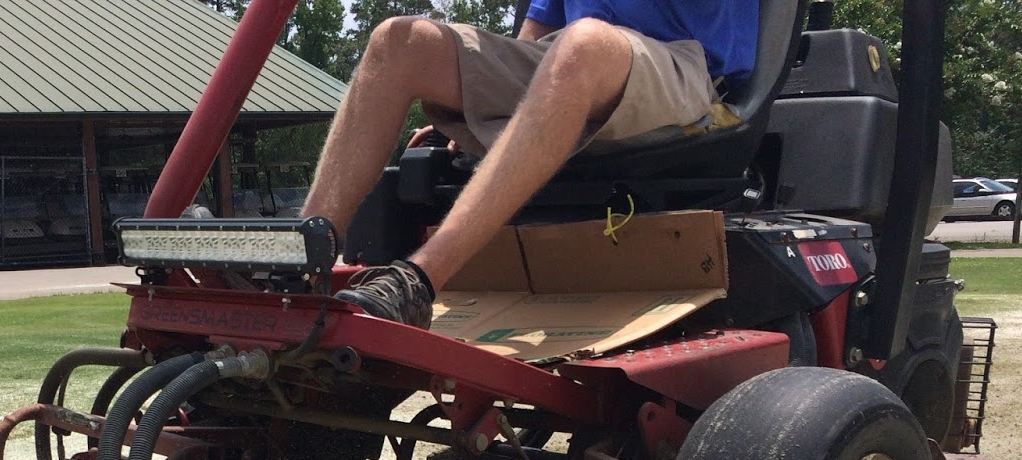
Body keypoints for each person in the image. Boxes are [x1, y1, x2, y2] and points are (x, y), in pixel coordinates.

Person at [302, 1, 759, 328]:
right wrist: (486, 117)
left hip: (684, 65)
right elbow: (534, 36)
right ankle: (304, 263)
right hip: (572, 58)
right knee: (398, 41)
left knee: (586, 43)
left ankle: (416, 281)